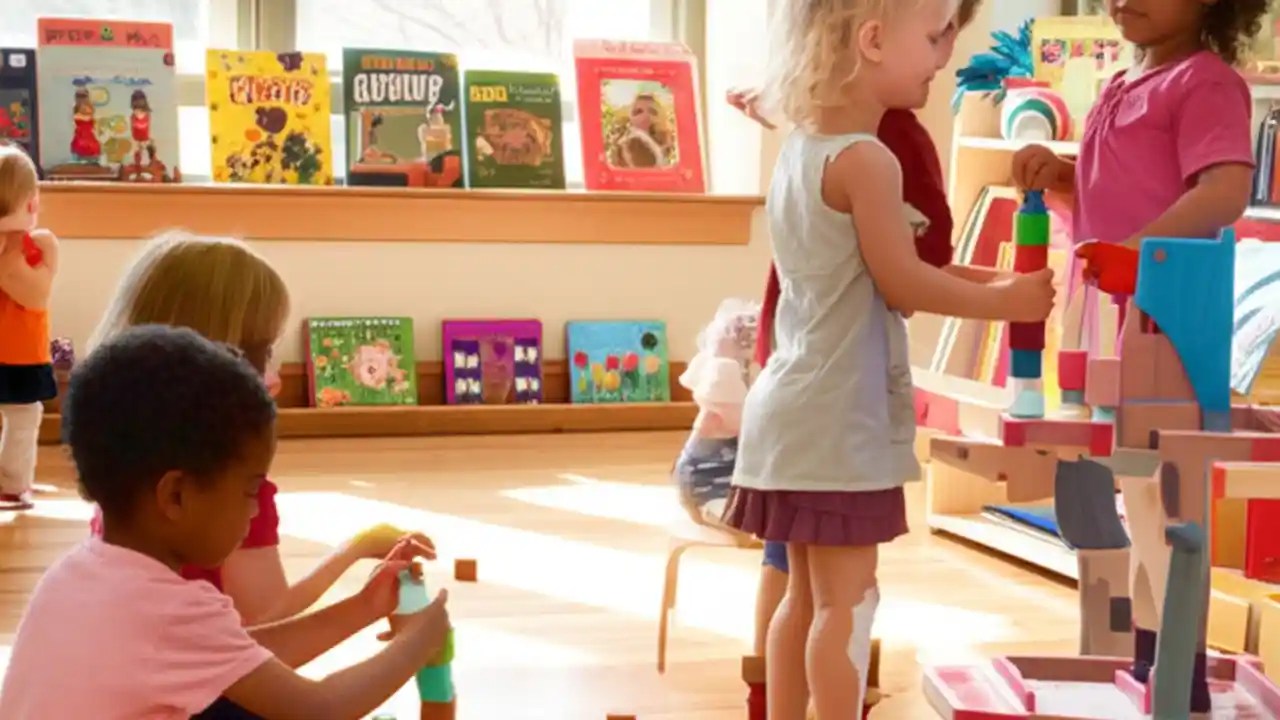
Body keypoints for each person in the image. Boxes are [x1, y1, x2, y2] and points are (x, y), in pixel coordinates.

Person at [722, 1, 1055, 718]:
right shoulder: (868, 160)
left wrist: (1001, 283)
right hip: (836, 421)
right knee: (847, 603)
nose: (943, 56)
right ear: (872, 41)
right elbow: (904, 284)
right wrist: (1005, 304)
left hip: (791, 410)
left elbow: (885, 268)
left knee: (802, 597)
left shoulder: (804, 148)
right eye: (933, 37)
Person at [1012, 0, 1266, 711]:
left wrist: (1138, 252)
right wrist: (1059, 177)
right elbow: (1116, 193)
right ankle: (1154, 658)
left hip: (1167, 320)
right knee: (1139, 496)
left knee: (1163, 503)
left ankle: (1182, 673)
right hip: (1116, 316)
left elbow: (1223, 191)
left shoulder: (1204, 81)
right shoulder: (1124, 83)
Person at [0, 325, 452, 719]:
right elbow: (321, 708)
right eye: (250, 491)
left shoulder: (73, 575)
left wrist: (363, 607)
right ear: (176, 496)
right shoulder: (173, 612)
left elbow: (237, 660)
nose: (255, 511)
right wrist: (419, 639)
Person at [86, 232, 432, 628]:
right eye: (263, 353)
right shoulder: (229, 488)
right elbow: (264, 619)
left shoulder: (120, 457)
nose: (275, 379)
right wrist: (355, 552)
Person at [0, 145, 57, 511]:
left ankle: (13, 483)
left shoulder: (38, 244)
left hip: (22, 352)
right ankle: (13, 484)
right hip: (21, 353)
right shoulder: (37, 245)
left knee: (23, 416)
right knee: (23, 417)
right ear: (32, 202)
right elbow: (35, 295)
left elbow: (34, 294)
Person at [672, 298, 759, 527]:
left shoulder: (729, 378)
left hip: (724, 478)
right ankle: (708, 511)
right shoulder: (723, 383)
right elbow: (744, 423)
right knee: (745, 524)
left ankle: (709, 510)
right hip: (708, 479)